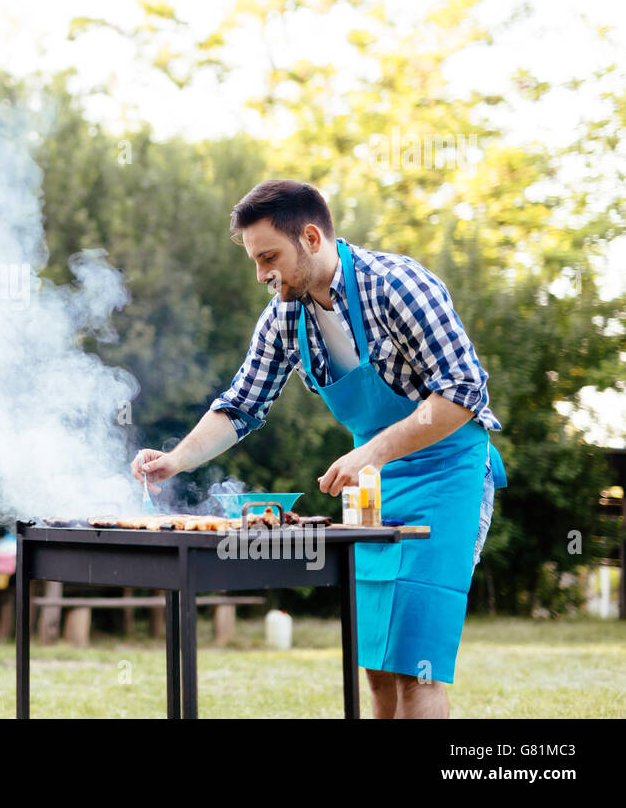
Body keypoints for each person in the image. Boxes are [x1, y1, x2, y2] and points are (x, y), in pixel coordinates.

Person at [131, 180, 506, 720]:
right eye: (255, 261)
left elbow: (464, 393)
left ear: (310, 237)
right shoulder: (284, 316)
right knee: (376, 670)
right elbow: (241, 404)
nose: (261, 274)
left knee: (415, 669)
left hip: (447, 478)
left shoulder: (400, 286)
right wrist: (176, 459)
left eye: (268, 257)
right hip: (373, 490)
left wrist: (371, 452)